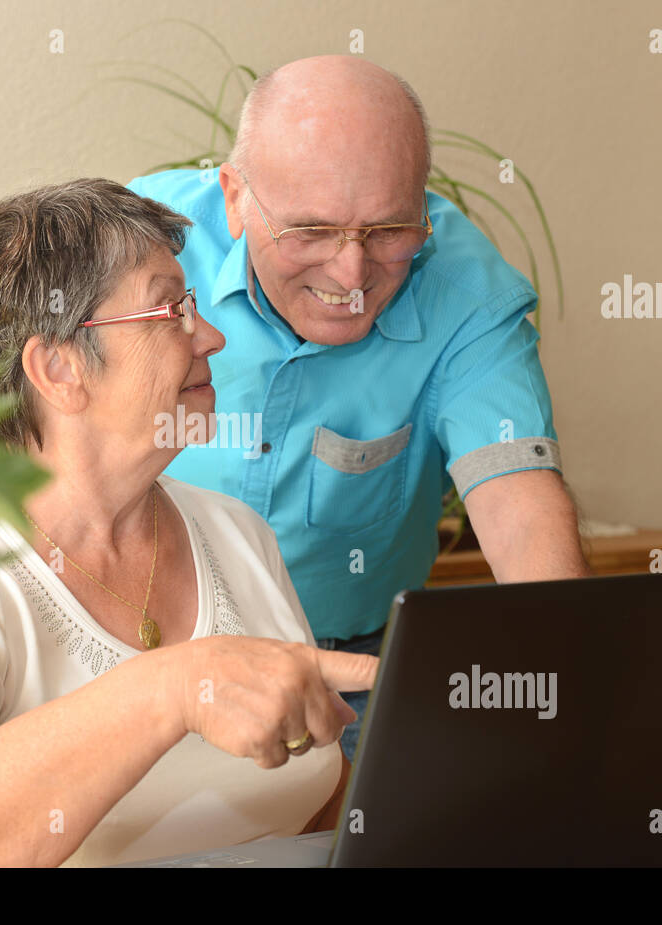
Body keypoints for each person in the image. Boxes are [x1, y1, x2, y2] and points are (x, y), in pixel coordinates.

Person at [0, 178, 378, 867]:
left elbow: (313, 795)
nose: (211, 335)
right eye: (170, 310)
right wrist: (176, 686)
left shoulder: (239, 536)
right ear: (59, 366)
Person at [127, 55, 591, 760]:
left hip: (349, 680)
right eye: (310, 231)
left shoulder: (468, 292)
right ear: (234, 197)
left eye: (387, 230)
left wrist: (573, 693)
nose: (351, 273)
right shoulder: (134, 250)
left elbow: (520, 506)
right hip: (143, 668)